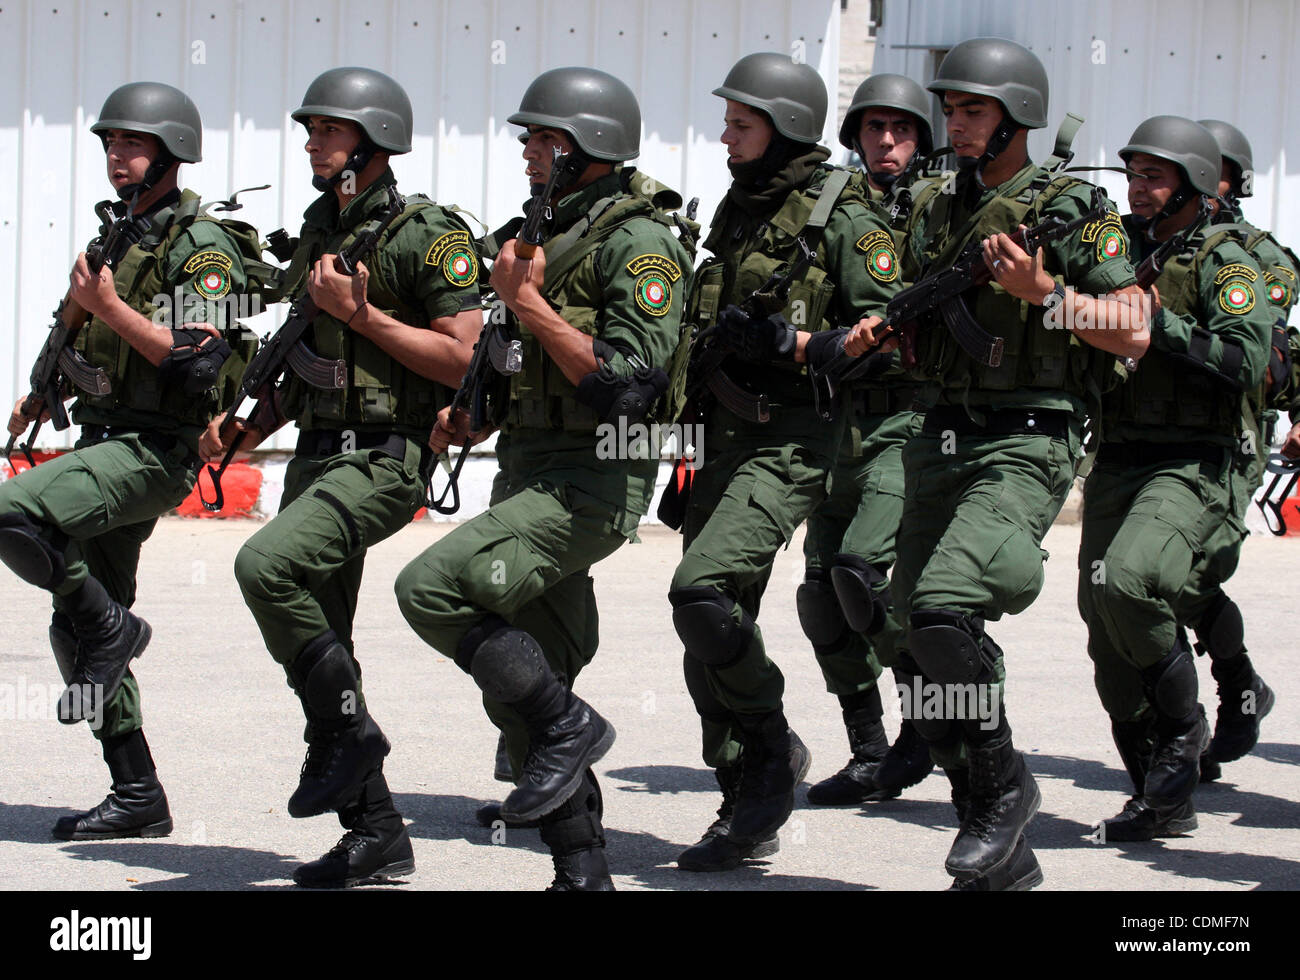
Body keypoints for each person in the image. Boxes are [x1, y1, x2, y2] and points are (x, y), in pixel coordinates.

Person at [851, 37, 1151, 889]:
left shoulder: (1074, 205)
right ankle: (999, 839)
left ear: (1016, 115)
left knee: (945, 609)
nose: (954, 122)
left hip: (1026, 436)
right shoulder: (938, 209)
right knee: (908, 630)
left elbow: (1131, 326)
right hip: (940, 431)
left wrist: (1045, 297)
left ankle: (1000, 790)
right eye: (949, 108)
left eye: (971, 109)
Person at [395, 66, 693, 891]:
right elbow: (511, 355)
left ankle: (574, 727)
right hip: (528, 466)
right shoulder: (541, 231)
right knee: (526, 685)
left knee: (433, 588)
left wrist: (529, 306)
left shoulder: (641, 242)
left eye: (543, 138)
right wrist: (471, 411)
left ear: (587, 145)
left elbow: (629, 386)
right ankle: (581, 869)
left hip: (593, 481)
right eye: (528, 138)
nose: (528, 151)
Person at [209, 67, 481, 888]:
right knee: (320, 644)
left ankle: (348, 739)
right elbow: (306, 365)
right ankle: (375, 831)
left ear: (369, 140)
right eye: (312, 129)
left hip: (386, 457)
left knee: (265, 567)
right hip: (320, 455)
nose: (311, 142)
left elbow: (464, 356)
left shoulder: (429, 234)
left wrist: (363, 315)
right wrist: (247, 426)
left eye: (327, 129)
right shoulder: (322, 228)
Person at [0, 82, 255, 841]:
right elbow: (72, 330)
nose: (118, 155)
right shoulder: (115, 238)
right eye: (111, 143)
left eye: (134, 143)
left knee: (15, 513)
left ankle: (113, 627)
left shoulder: (201, 246)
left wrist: (111, 308)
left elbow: (200, 363)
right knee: (73, 633)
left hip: (156, 450)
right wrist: (42, 391)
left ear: (172, 153)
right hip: (103, 439)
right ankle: (138, 793)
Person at [667, 52, 899, 871]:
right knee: (709, 628)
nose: (724, 135)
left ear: (785, 129)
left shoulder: (845, 213)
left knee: (700, 589)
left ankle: (771, 747)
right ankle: (742, 793)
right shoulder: (739, 207)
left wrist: (793, 344)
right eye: (728, 122)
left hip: (794, 438)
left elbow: (885, 342)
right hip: (720, 435)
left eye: (741, 123)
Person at [1079, 116, 1272, 842]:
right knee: (1103, 627)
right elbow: (1080, 320)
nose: (1137, 188)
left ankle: (1185, 730)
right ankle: (1158, 795)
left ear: (1193, 184)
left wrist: (1161, 325)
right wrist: (1045, 294)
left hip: (1196, 458)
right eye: (1131, 174)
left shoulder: (1230, 263)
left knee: (1130, 580)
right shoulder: (1117, 251)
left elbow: (1249, 364)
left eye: (1153, 176)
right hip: (1120, 452)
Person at [800, 73, 937, 809]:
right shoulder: (827, 204)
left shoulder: (944, 209)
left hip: (907, 423)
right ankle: (868, 749)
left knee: (862, 573)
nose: (886, 142)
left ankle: (927, 723)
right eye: (874, 127)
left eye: (903, 128)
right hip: (834, 422)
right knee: (820, 594)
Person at [1180, 118, 1291, 779]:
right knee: (1141, 579)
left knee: (1192, 574)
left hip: (1232, 432)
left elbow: (1257, 343)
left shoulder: (1260, 257)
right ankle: (1179, 727)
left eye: (1210, 168)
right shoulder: (1149, 242)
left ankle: (1236, 691)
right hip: (1151, 433)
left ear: (1234, 181)